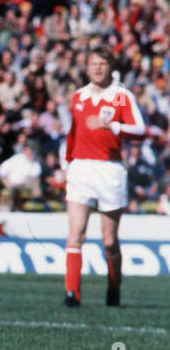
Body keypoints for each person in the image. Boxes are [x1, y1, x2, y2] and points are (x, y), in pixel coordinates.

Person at [62, 46, 146, 307]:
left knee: (109, 241)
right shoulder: (79, 96)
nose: (97, 68)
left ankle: (114, 286)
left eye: (102, 63)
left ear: (110, 67)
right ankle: (72, 294)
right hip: (81, 169)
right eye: (93, 63)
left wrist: (113, 126)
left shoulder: (121, 96)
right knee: (76, 233)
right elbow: (73, 133)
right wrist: (67, 163)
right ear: (86, 68)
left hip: (109, 170)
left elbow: (141, 129)